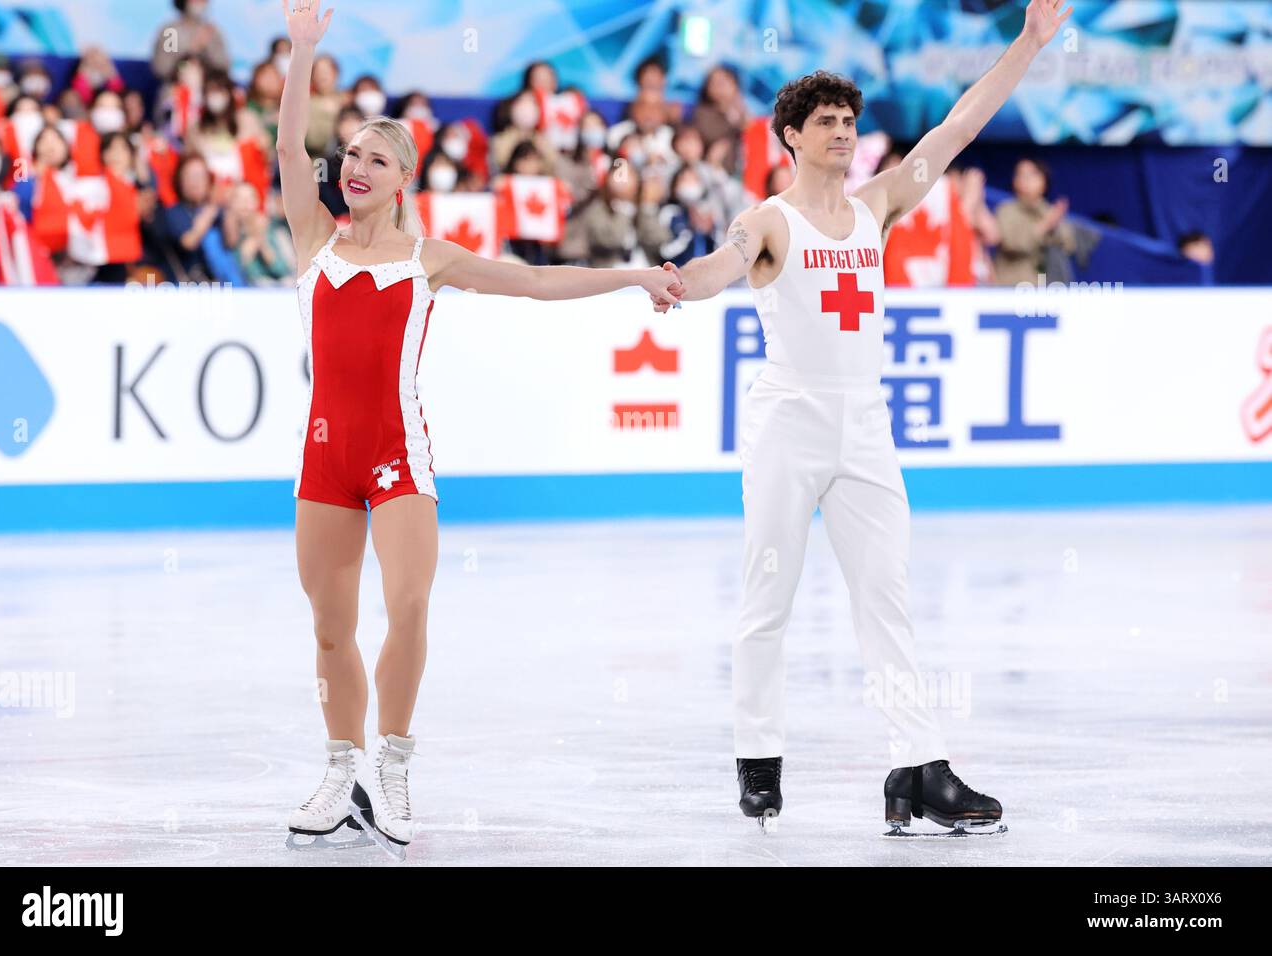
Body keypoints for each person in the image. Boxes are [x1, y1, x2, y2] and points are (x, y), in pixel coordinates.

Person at [652, 0, 1073, 835]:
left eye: (849, 119)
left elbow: (956, 129)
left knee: (888, 595)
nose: (843, 131)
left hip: (866, 425)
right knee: (767, 593)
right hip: (788, 422)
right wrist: (679, 283)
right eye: (826, 121)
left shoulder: (878, 204)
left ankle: (917, 767)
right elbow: (718, 268)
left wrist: (1027, 42)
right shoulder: (770, 220)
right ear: (793, 137)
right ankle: (758, 757)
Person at [276, 0, 681, 851]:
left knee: (412, 603)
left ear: (402, 179)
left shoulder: (431, 260)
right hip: (324, 461)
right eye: (350, 153)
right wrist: (303, 50)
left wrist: (634, 274)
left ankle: (391, 764)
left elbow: (535, 282)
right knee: (328, 626)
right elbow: (286, 148)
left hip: (396, 458)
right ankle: (338, 770)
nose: (354, 165)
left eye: (374, 158)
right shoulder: (314, 239)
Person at [993, 156, 1074, 286]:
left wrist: (1054, 226)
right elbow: (1013, 243)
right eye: (1021, 175)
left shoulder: (1049, 211)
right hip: (1012, 289)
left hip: (1046, 289)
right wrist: (1045, 225)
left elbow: (1068, 245)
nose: (1025, 180)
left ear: (1044, 181)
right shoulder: (1006, 210)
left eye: (1032, 175)